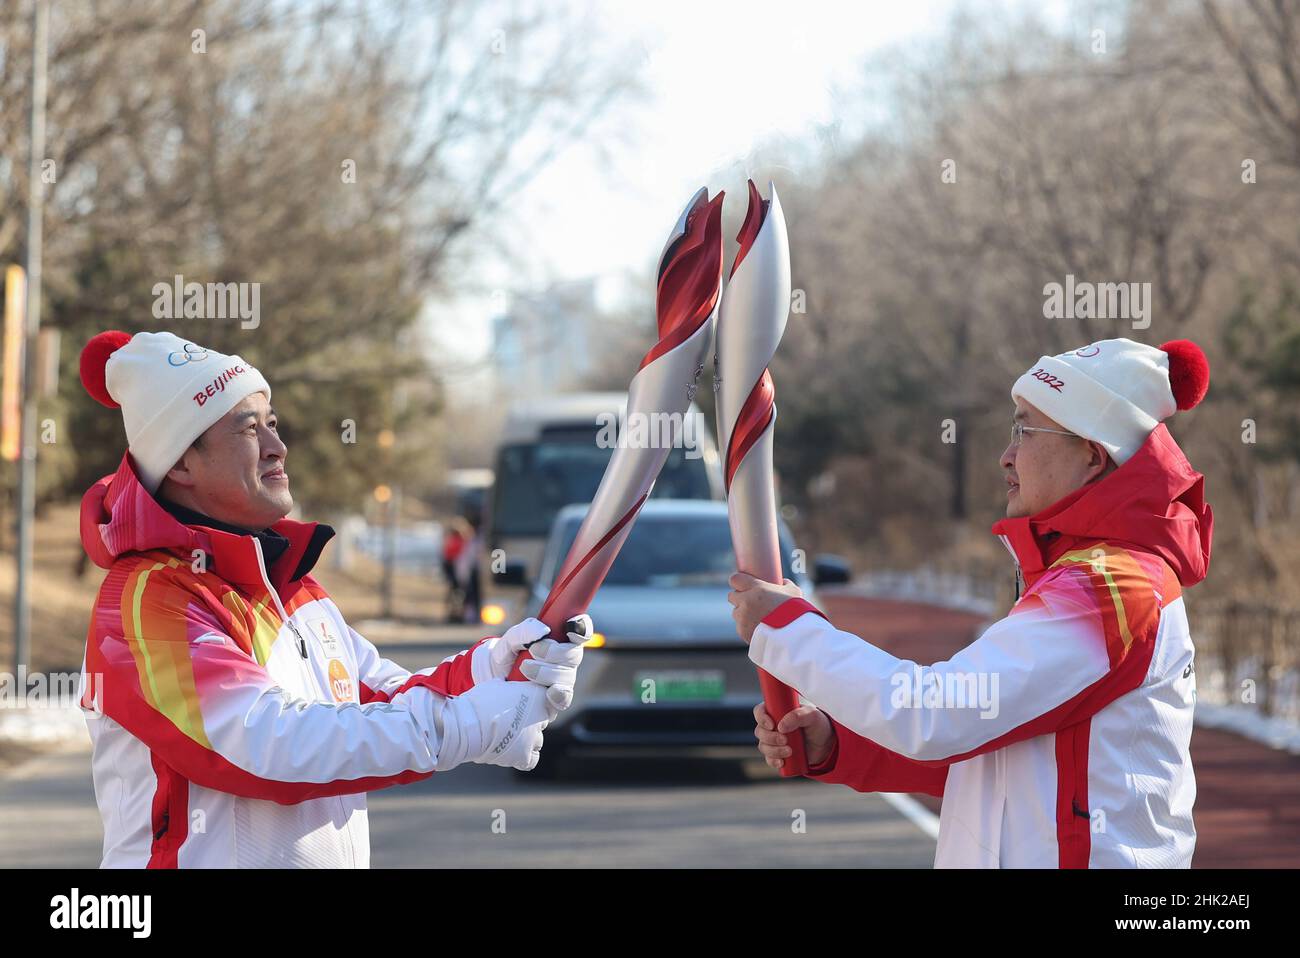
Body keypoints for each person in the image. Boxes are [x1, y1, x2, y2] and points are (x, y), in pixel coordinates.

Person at [76, 330, 588, 868]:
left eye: (271, 423)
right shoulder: (146, 602)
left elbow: (380, 699)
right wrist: (461, 727)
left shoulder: (294, 591)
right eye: (248, 429)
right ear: (181, 464)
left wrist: (494, 672)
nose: (277, 447)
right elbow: (269, 746)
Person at [729, 338, 1213, 868]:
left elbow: (937, 714)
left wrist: (788, 629)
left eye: (1026, 430)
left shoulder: (1115, 589)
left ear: (1092, 456)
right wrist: (834, 744)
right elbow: (991, 751)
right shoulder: (1078, 577)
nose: (1007, 455)